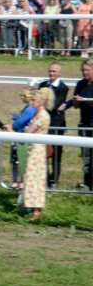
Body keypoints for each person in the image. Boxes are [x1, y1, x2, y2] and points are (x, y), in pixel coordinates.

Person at [57, 59, 93, 190]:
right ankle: (88, 184)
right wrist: (67, 105)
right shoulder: (80, 84)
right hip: (85, 125)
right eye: (83, 70)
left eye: (87, 70)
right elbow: (75, 103)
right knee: (87, 157)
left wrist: (86, 100)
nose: (84, 73)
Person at [23, 87, 53, 221]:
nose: (31, 101)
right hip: (34, 148)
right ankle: (32, 207)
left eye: (34, 99)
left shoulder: (42, 115)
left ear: (40, 101)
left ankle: (37, 209)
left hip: (38, 150)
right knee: (32, 178)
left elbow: (30, 131)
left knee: (35, 179)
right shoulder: (37, 114)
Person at [39, 62, 69, 187]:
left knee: (56, 153)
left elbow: (54, 105)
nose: (51, 73)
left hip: (57, 124)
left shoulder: (63, 88)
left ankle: (55, 180)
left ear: (59, 73)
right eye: (50, 71)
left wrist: (42, 103)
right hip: (43, 123)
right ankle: (44, 179)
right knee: (43, 153)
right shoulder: (42, 85)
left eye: (54, 71)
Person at [8, 86, 38, 190]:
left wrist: (14, 123)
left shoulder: (30, 109)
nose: (22, 97)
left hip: (22, 138)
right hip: (20, 137)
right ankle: (18, 181)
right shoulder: (27, 108)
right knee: (17, 160)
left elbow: (18, 124)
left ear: (31, 97)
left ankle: (19, 181)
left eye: (24, 95)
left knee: (20, 161)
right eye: (22, 95)